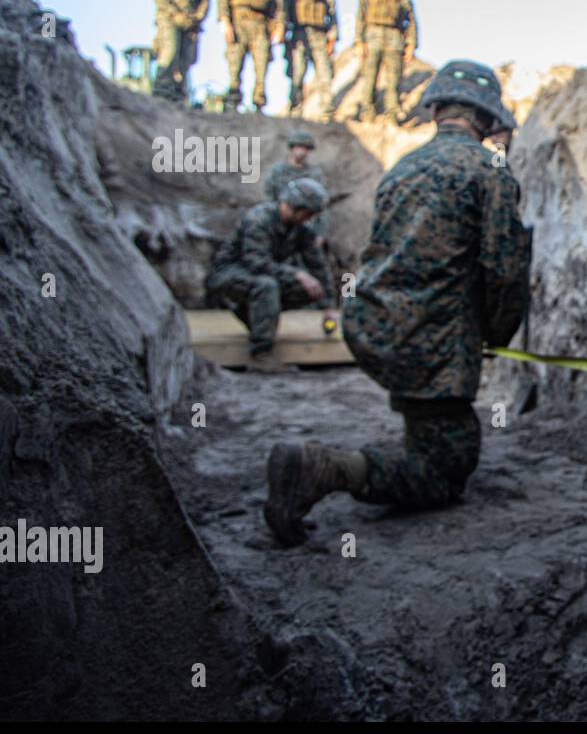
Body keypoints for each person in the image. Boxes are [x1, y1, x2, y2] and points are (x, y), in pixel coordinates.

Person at [264, 60, 529, 545]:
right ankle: (323, 470)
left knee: (430, 425)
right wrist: (495, 334)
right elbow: (505, 270)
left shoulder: (403, 166)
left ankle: (398, 446)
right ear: (488, 119)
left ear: (436, 109)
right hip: (431, 339)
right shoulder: (489, 171)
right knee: (447, 470)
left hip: (374, 324)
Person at [206, 178, 336, 374]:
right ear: (294, 207)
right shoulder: (259, 219)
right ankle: (261, 355)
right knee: (267, 286)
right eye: (307, 213)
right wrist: (296, 273)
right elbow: (256, 262)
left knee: (309, 288)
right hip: (229, 273)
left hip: (262, 275)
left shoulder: (301, 229)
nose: (309, 219)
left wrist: (328, 306)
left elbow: (318, 265)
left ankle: (249, 313)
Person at [217, 0, 284, 113]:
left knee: (262, 65)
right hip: (239, 22)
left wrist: (279, 26)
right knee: (235, 64)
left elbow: (278, 6)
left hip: (260, 25)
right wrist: (224, 21)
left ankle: (259, 103)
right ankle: (232, 102)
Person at [354, 0, 418, 123]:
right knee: (370, 75)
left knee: (394, 77)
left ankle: (392, 113)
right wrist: (359, 42)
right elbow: (360, 18)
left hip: (394, 37)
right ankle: (367, 111)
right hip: (373, 34)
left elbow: (411, 21)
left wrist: (411, 44)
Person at [283, 0, 338, 120]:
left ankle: (326, 111)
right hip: (298, 35)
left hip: (319, 36)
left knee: (324, 75)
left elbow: (333, 18)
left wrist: (332, 39)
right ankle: (295, 109)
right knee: (297, 74)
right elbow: (282, 14)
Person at [265, 130, 331, 243]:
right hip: (279, 225)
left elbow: (321, 207)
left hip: (305, 228)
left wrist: (320, 235)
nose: (302, 151)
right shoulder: (277, 171)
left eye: (306, 148)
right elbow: (269, 199)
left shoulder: (314, 174)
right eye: (299, 147)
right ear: (292, 148)